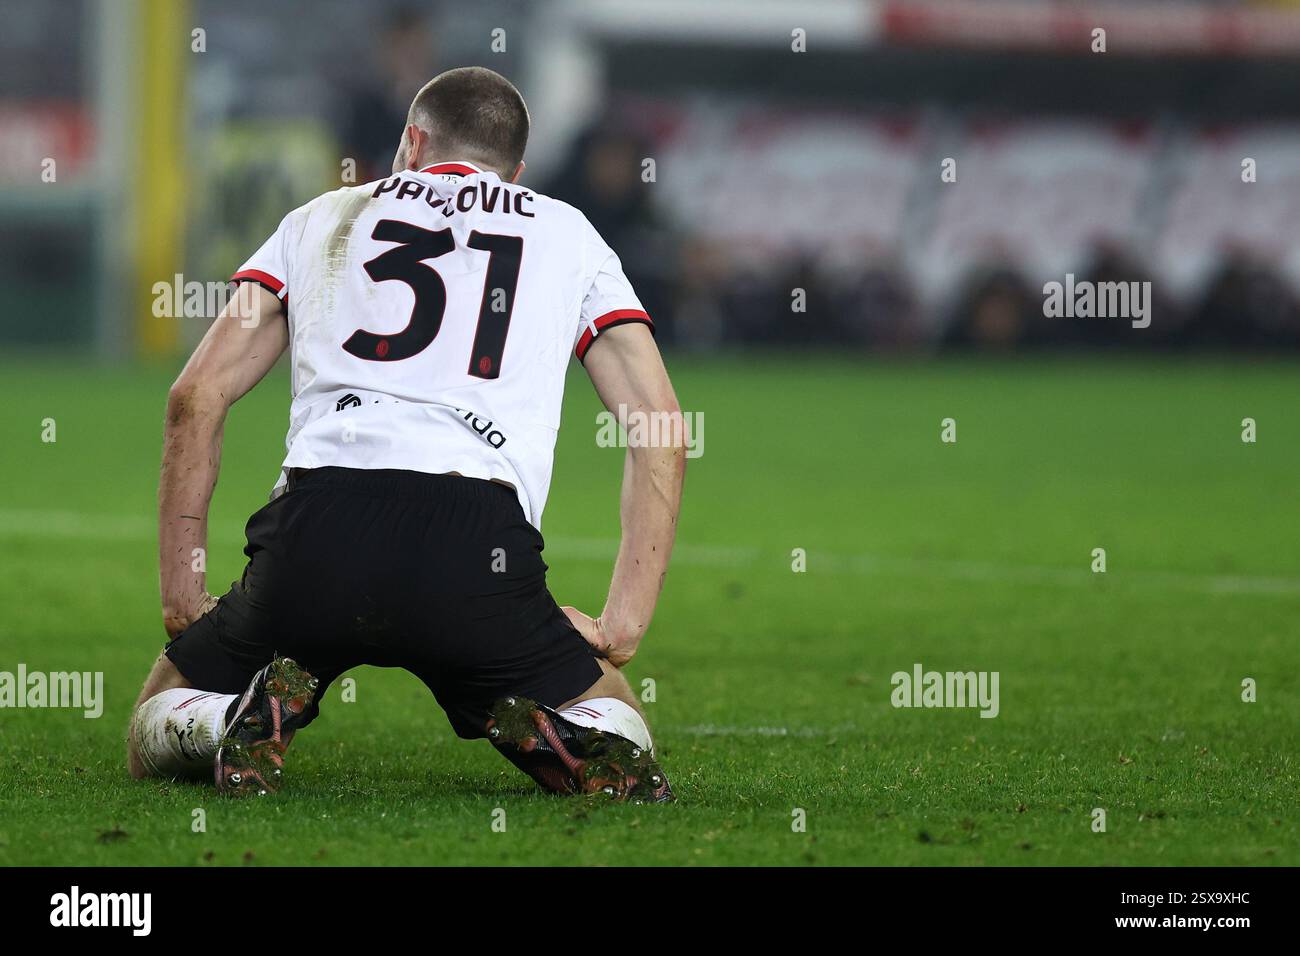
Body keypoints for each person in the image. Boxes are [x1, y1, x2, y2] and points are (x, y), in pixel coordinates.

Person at [127, 67, 685, 803]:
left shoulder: (320, 216)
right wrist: (623, 622)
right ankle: (576, 738)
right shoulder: (565, 231)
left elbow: (195, 397)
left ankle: (229, 719)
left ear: (411, 141)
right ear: (516, 172)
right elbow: (660, 426)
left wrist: (182, 593)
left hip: (318, 531)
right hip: (475, 543)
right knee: (616, 713)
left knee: (153, 720)